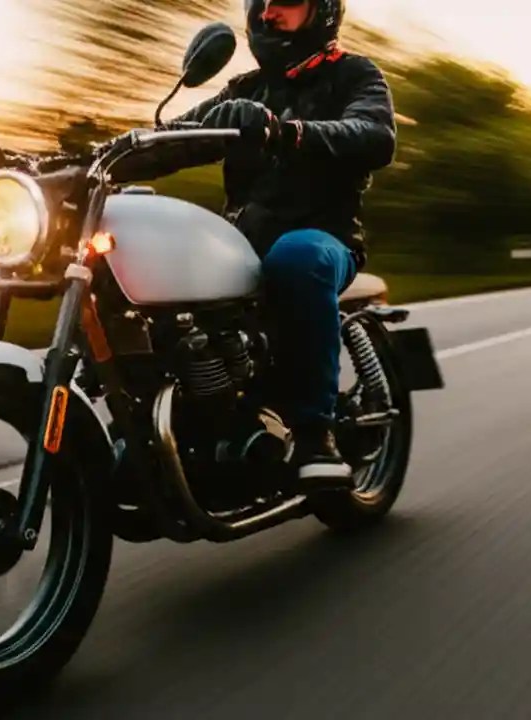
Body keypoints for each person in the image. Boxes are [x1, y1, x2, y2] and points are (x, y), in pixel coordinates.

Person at [151, 0, 398, 488]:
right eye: (261, 2)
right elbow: (172, 140)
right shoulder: (244, 89)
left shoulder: (353, 74)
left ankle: (314, 434)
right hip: (243, 245)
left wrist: (285, 131)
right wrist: (75, 160)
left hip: (324, 236)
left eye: (285, 2)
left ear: (322, 10)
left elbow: (374, 134)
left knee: (297, 258)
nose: (268, 14)